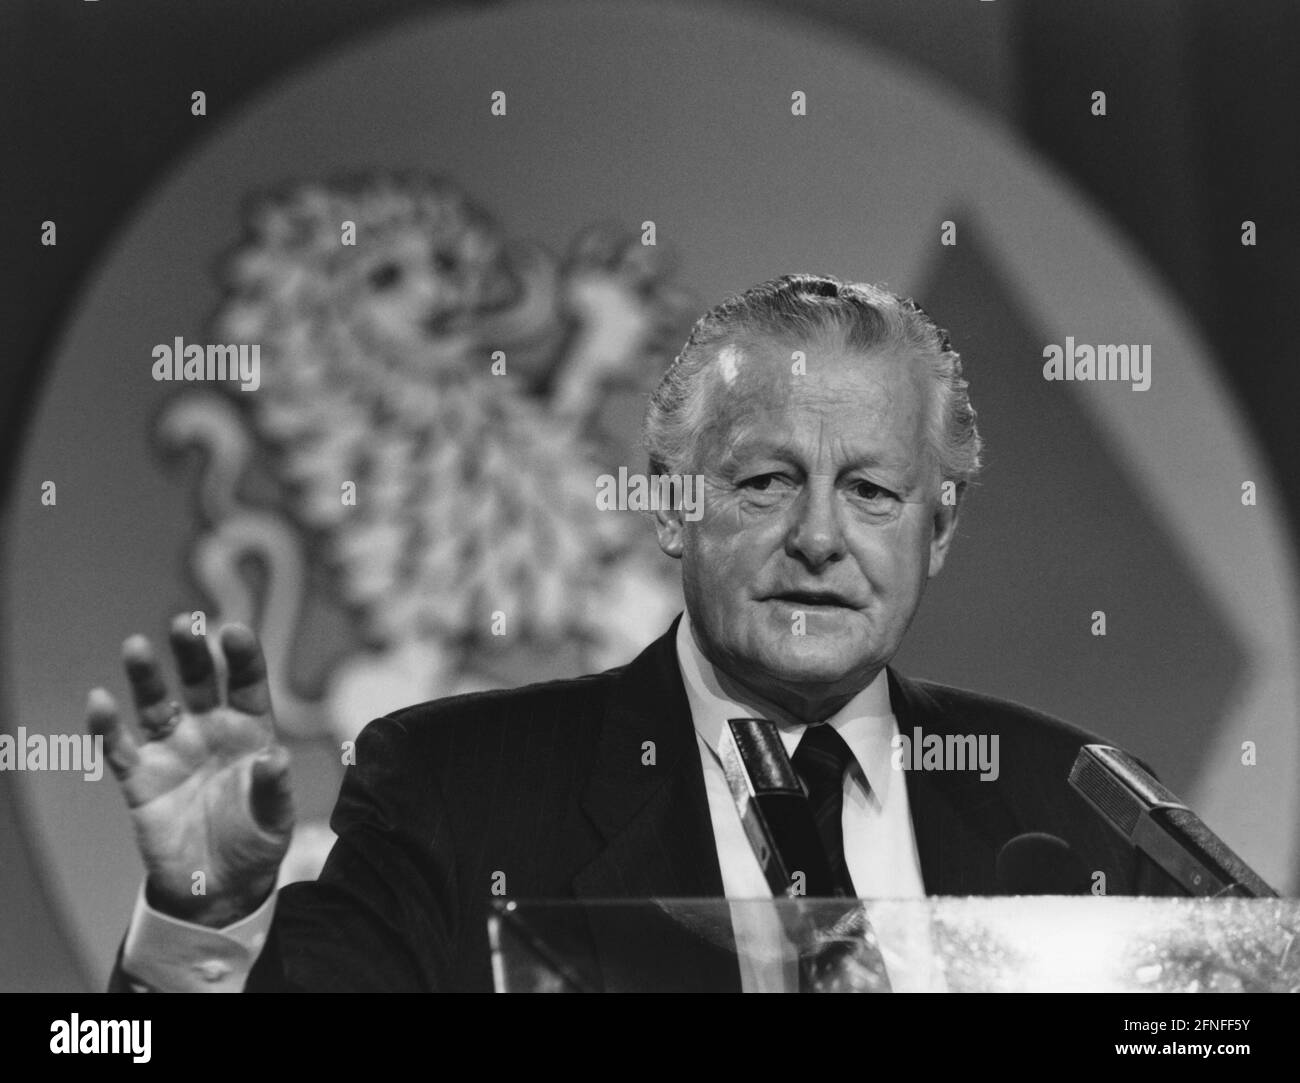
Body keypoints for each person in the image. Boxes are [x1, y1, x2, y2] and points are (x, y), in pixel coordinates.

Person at [89, 274, 1175, 993]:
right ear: (670, 505)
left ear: (937, 528)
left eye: (875, 493)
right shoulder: (452, 790)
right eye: (764, 482)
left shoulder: (1076, 809)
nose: (817, 540)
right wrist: (204, 917)